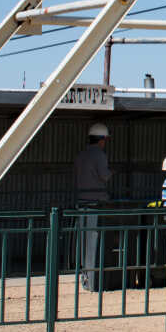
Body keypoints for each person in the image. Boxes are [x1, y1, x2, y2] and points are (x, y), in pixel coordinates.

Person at [74, 123, 111, 291]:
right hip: (97, 203)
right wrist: (112, 173)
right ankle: (95, 277)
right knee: (95, 241)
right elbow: (104, 176)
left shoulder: (81, 155)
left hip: (82, 201)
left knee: (84, 241)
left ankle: (85, 276)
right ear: (102, 140)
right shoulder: (100, 155)